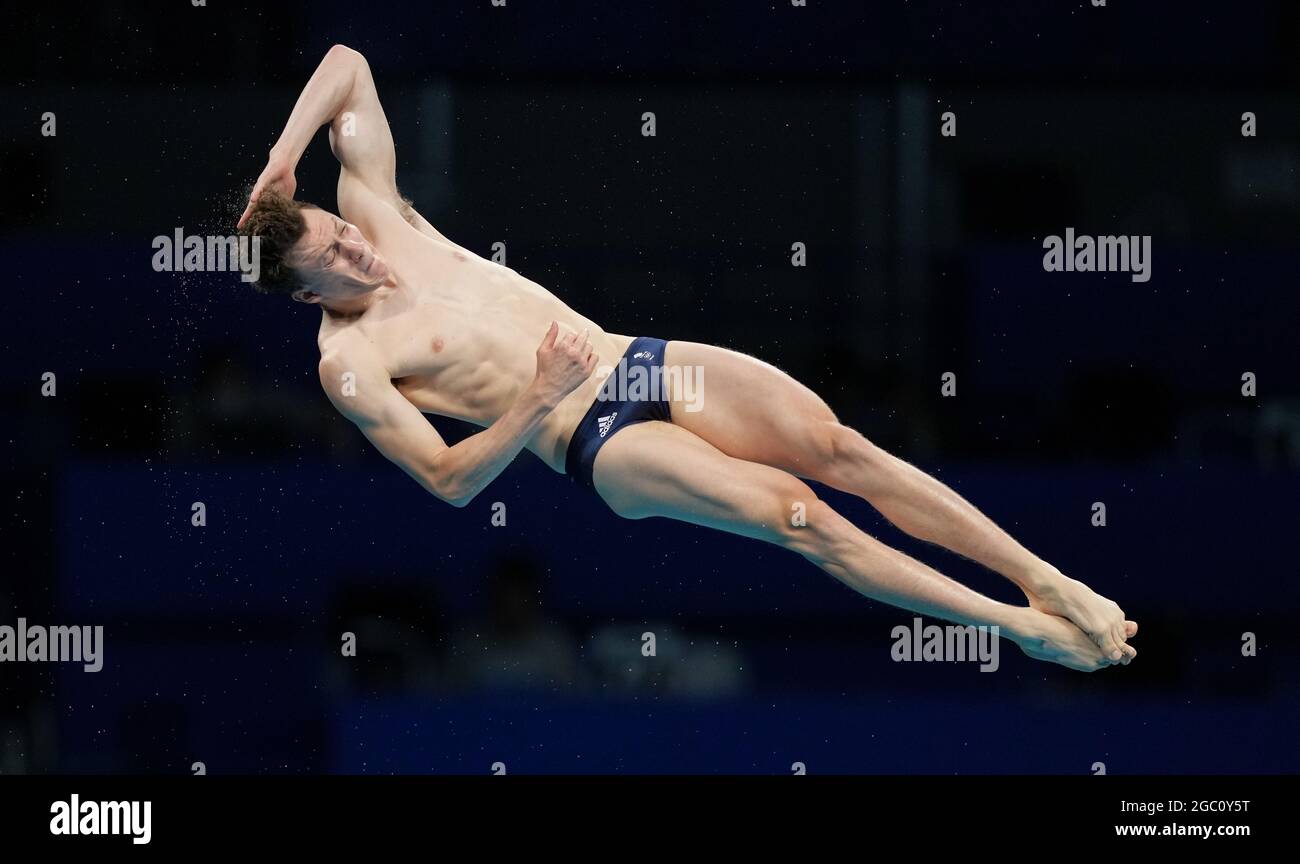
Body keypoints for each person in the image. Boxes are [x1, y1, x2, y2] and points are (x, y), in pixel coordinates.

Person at [237, 45, 1137, 672]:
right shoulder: (349, 362)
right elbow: (446, 480)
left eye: (345, 233)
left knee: (840, 449)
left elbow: (348, 64)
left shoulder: (376, 207)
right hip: (590, 438)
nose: (364, 251)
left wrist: (280, 160)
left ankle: (1051, 580)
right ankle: (1020, 628)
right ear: (310, 296)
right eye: (339, 262)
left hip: (637, 361)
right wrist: (534, 399)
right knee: (800, 516)